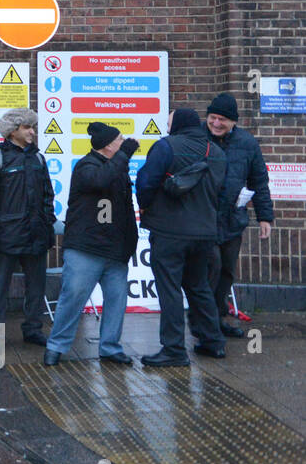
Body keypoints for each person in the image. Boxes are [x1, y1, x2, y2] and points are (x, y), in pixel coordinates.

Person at [135, 108, 229, 366]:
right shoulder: (217, 152)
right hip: (205, 234)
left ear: (177, 124)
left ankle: (174, 350)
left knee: (170, 289)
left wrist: (146, 205)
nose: (166, 128)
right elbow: (223, 193)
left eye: (169, 123)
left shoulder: (166, 146)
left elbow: (145, 182)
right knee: (199, 287)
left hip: (170, 232)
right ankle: (213, 342)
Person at [44, 122, 139, 366]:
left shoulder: (117, 167)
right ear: (108, 146)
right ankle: (56, 347)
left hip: (116, 250)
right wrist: (125, 154)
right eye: (119, 139)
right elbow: (101, 181)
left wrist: (130, 242)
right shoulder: (87, 166)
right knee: (73, 297)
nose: (124, 141)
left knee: (117, 300)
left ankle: (110, 347)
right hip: (86, 249)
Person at [0, 108, 56, 347]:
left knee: (36, 287)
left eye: (33, 127)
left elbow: (47, 196)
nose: (32, 132)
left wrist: (47, 224)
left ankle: (33, 329)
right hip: (5, 236)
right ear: (13, 131)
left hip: (35, 235)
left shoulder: (39, 159)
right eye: (27, 127)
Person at [204, 93, 274, 338]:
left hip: (233, 221)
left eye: (222, 119)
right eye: (212, 118)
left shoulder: (247, 143)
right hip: (203, 220)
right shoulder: (198, 138)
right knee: (209, 271)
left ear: (233, 121)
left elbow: (259, 181)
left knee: (226, 272)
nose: (216, 123)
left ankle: (219, 318)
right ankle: (205, 323)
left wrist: (265, 217)